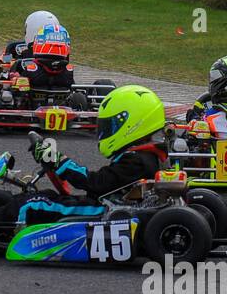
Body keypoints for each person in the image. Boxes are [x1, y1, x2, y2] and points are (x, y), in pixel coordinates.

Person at [14, 84, 168, 224]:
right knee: (45, 194)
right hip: (106, 204)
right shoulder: (147, 155)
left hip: (106, 211)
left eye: (112, 124)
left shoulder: (139, 161)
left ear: (134, 124)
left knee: (33, 204)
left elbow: (95, 183)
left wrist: (56, 160)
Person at [6, 23, 75, 90]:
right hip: (57, 74)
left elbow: (5, 60)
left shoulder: (12, 46)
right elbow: (5, 58)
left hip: (30, 72)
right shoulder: (13, 46)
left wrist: (7, 63)